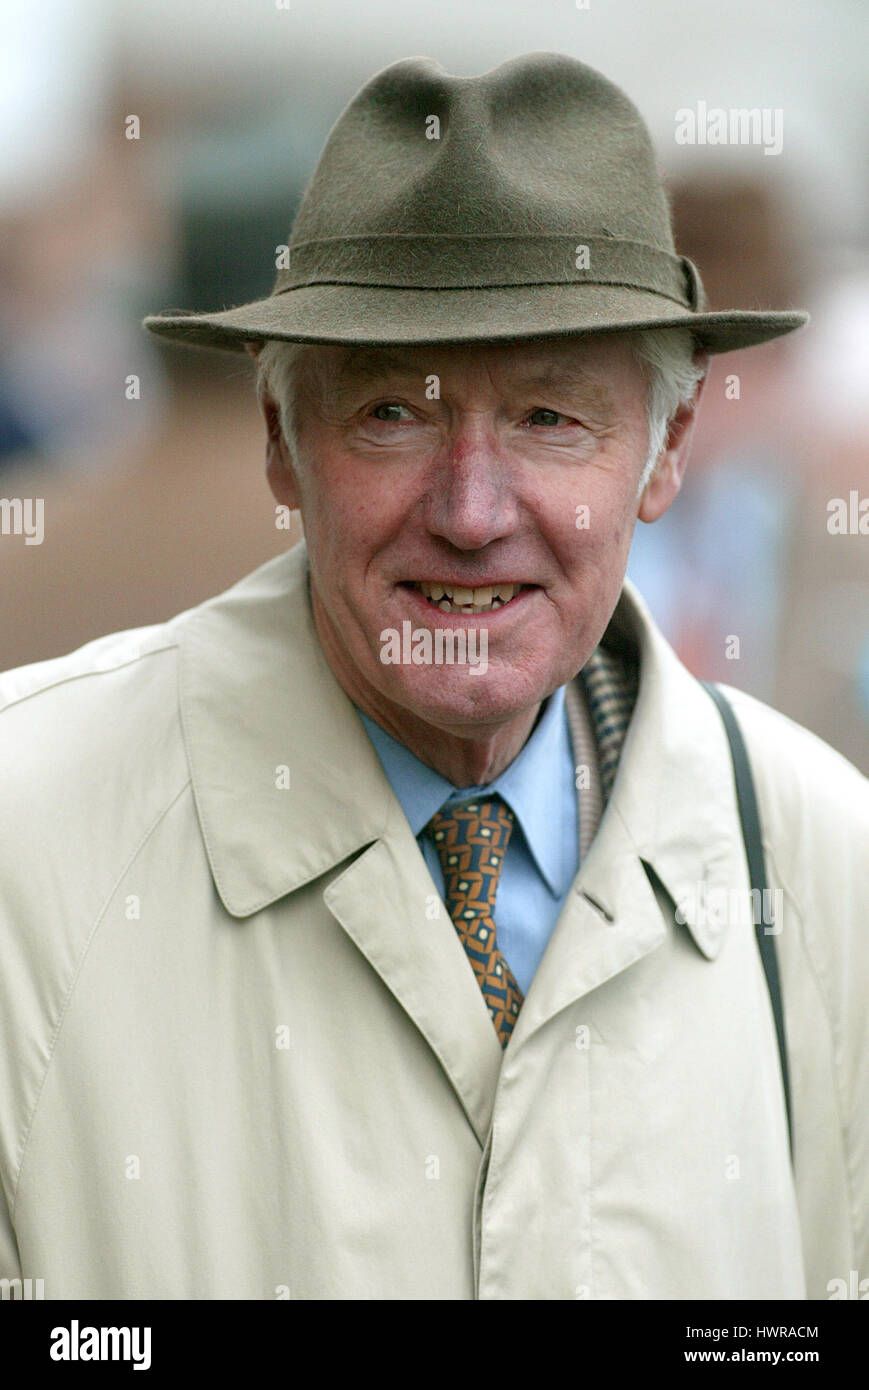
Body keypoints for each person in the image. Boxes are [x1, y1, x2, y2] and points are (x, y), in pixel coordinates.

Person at [1, 51, 866, 1302]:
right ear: (281, 446)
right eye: (390, 418)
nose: (470, 511)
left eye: (550, 418)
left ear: (666, 451)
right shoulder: (31, 845)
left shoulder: (820, 863)